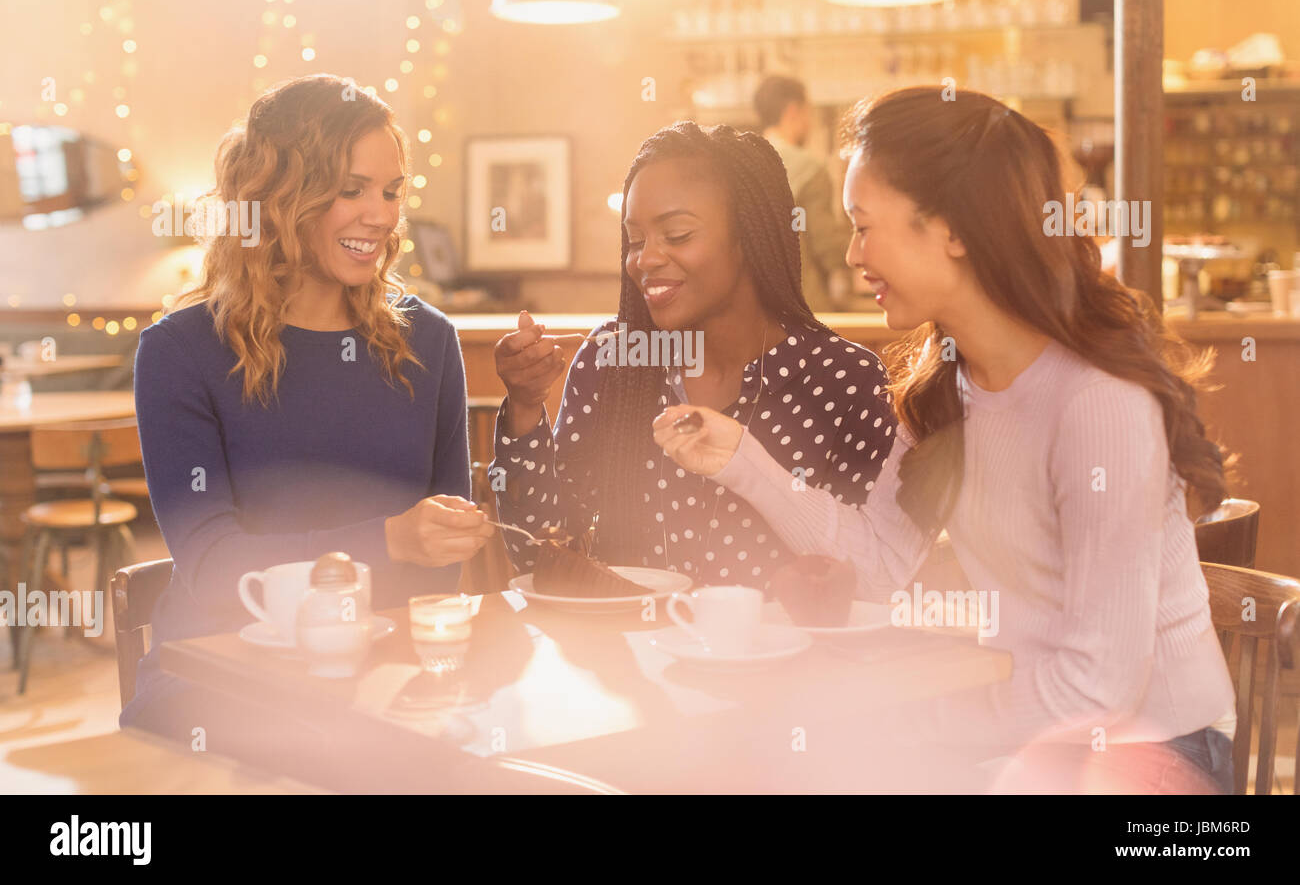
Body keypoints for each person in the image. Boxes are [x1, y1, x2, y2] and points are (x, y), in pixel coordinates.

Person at [652, 87, 1237, 794]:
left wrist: (920, 725)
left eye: (866, 226)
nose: (856, 254)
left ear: (953, 228)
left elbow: (1099, 689)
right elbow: (875, 565)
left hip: (1157, 751)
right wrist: (742, 460)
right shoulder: (946, 388)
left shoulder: (1097, 404)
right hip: (1028, 741)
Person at [121, 74, 493, 752]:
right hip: (217, 692)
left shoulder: (429, 340)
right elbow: (212, 568)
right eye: (349, 189)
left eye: (391, 190)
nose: (379, 215)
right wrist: (390, 541)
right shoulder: (179, 353)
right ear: (278, 198)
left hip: (380, 689)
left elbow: (439, 564)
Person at [490, 121, 895, 590]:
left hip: (783, 661)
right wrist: (523, 407)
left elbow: (869, 579)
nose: (646, 259)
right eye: (636, 240)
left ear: (750, 237)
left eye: (677, 235)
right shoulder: (614, 361)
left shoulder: (846, 381)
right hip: (629, 656)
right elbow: (539, 553)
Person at [754, 75, 849, 312]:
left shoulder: (746, 164)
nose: (810, 123)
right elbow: (825, 242)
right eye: (808, 114)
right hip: (804, 302)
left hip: (759, 304)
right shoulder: (809, 168)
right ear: (793, 111)